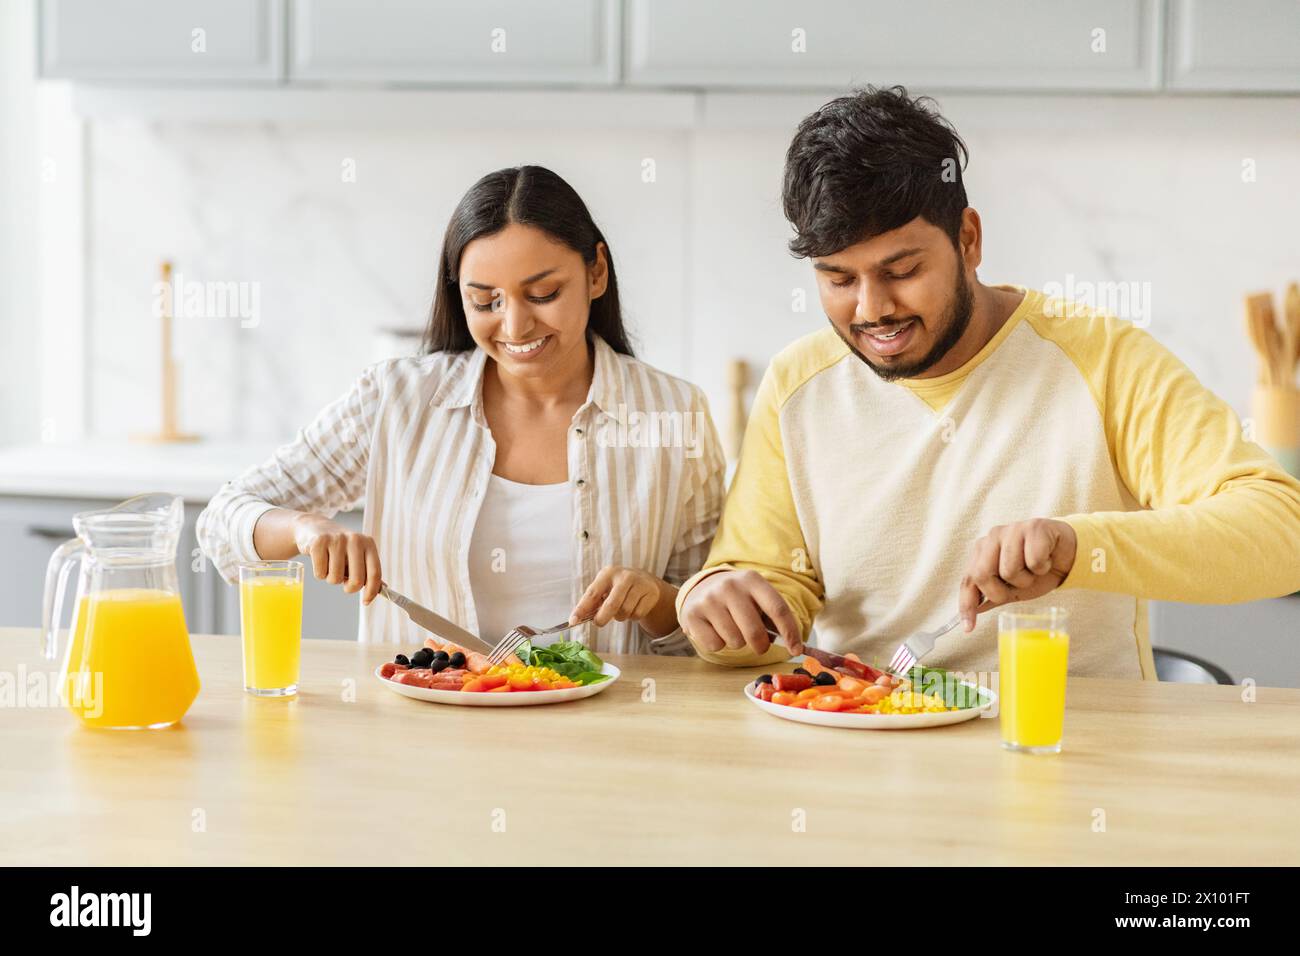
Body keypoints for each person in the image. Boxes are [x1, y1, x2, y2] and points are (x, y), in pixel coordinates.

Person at [677, 86, 1300, 678]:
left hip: (1068, 744)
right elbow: (763, 590)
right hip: (862, 734)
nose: (871, 309)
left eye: (902, 270)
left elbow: (1280, 534)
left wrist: (1075, 545)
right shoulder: (798, 385)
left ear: (968, 239)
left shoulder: (1101, 358)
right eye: (840, 280)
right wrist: (717, 602)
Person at [198, 165, 725, 654]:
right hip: (422, 733)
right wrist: (304, 528)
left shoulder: (674, 414)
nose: (515, 327)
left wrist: (659, 601)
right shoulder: (397, 400)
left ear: (596, 273)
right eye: (486, 301)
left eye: (542, 293)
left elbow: (708, 641)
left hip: (604, 735)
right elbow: (221, 521)